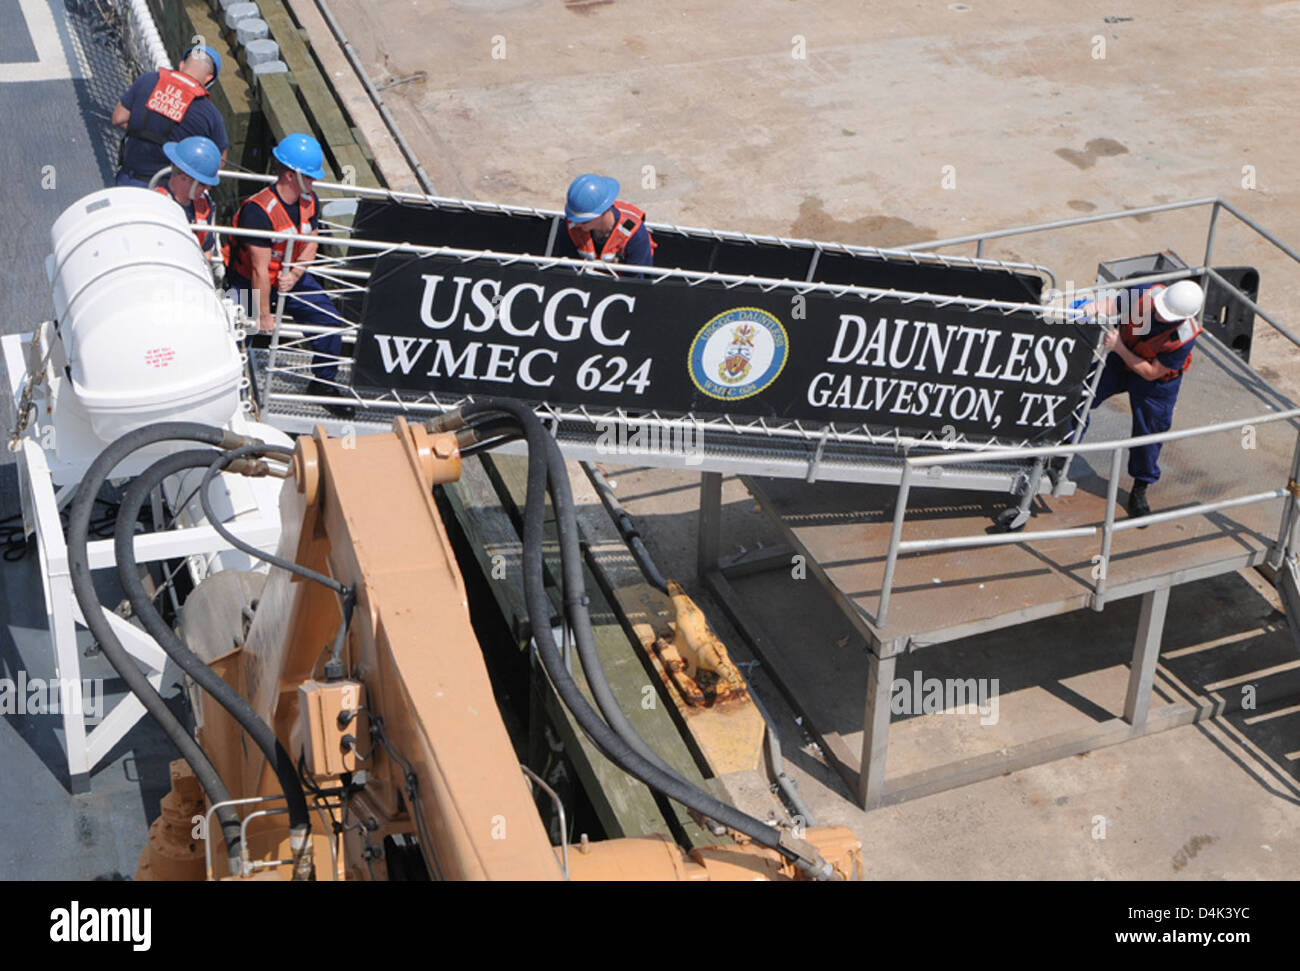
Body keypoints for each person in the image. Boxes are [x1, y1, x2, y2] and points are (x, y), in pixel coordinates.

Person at [226, 133, 352, 418]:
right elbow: (258, 268)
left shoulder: (310, 201)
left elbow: (312, 240)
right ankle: (230, 391)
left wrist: (295, 275)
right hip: (248, 282)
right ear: (291, 174)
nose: (314, 182)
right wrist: (263, 314)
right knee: (236, 335)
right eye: (309, 177)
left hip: (289, 277)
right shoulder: (258, 212)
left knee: (330, 323)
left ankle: (323, 383)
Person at [1078, 279, 1205, 521]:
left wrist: (1119, 347)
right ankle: (1060, 455)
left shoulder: (1184, 336)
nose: (1159, 315)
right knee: (1080, 395)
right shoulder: (1144, 294)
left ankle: (1140, 487)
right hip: (1119, 361)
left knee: (1150, 434)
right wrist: (1091, 309)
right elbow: (1111, 306)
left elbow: (1151, 372)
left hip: (1155, 382)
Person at [112, 47, 229, 187]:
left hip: (129, 177)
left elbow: (118, 118)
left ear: (181, 64)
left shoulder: (148, 80)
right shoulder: (210, 114)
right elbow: (219, 161)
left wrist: (145, 130)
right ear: (209, 78)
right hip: (169, 189)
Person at [154, 136, 223, 274]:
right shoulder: (157, 204)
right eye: (203, 184)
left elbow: (207, 251)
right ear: (184, 177)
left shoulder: (204, 204)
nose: (207, 188)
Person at [556, 174, 656, 266]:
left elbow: (637, 279)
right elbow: (566, 270)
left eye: (584, 221)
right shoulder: (568, 228)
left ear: (603, 212)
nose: (576, 225)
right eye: (575, 219)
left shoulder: (636, 235)